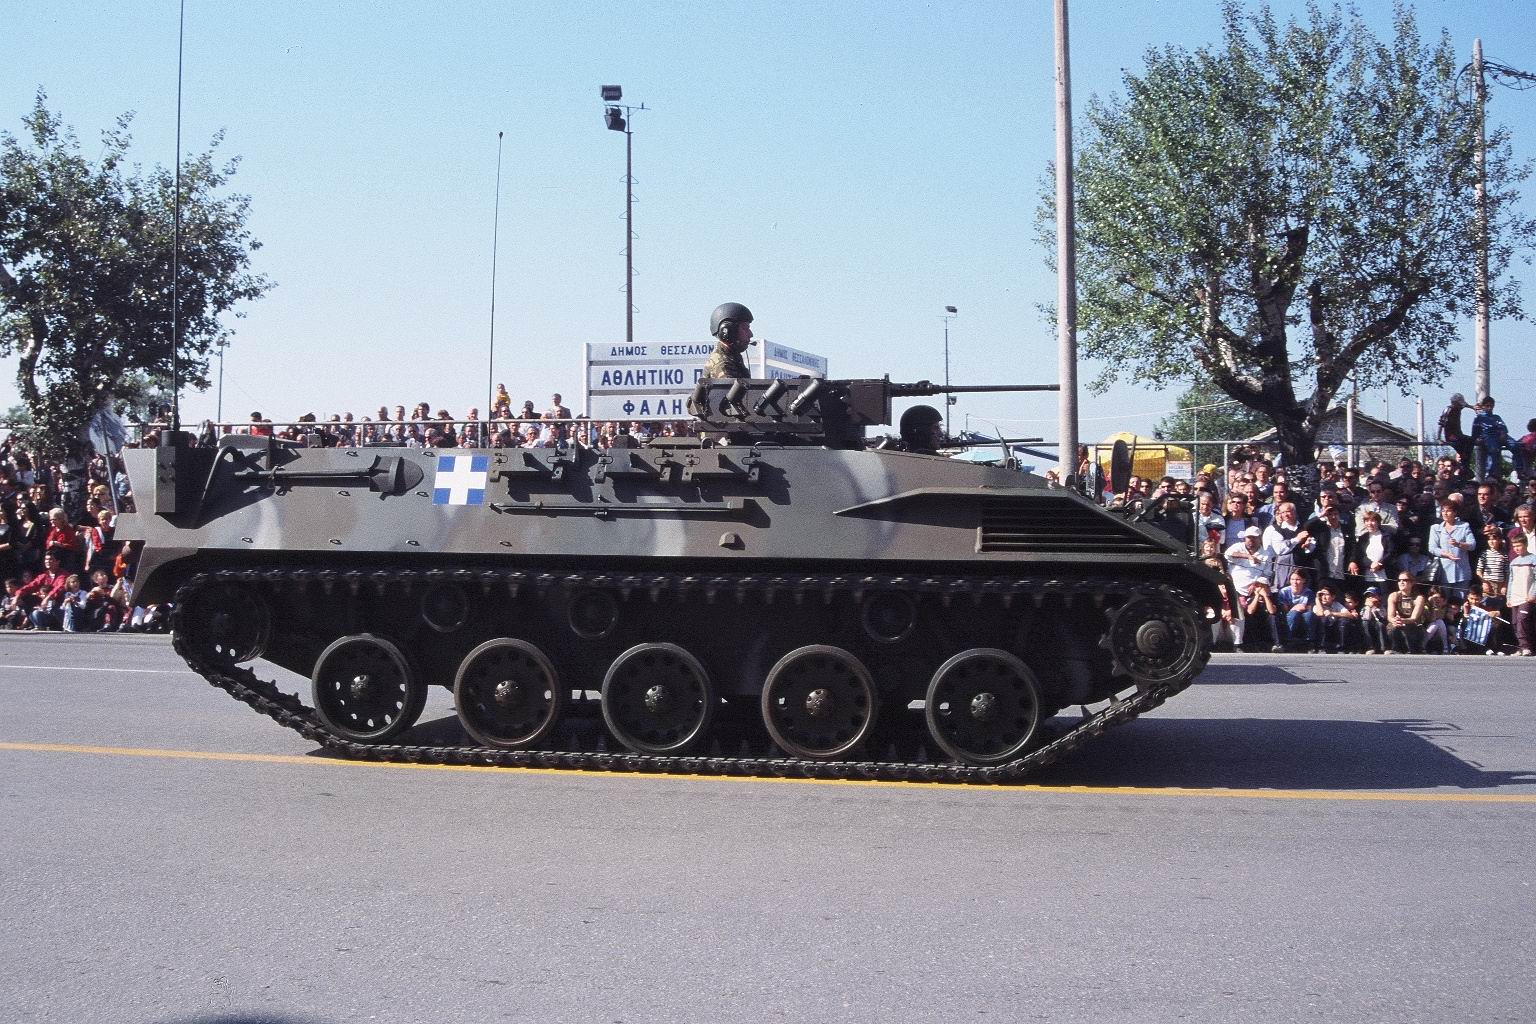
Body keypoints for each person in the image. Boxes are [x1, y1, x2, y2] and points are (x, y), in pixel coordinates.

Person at [1428, 501, 1475, 590]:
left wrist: (1458, 544)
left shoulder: (1464, 526)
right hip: (1444, 572)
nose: (1445, 513)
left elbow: (1472, 545)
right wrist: (1446, 554)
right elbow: (1432, 548)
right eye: (1443, 511)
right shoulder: (1436, 528)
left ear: (1455, 513)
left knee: (1460, 600)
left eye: (1448, 511)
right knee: (1444, 599)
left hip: (1462, 573)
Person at [702, 302, 753, 380]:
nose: (750, 334)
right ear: (729, 331)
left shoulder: (732, 358)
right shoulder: (721, 364)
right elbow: (732, 391)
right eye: (745, 328)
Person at [1471, 396, 1512, 481]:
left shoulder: (1496, 417)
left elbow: (1503, 428)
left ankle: (1519, 470)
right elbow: (1474, 432)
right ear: (1483, 406)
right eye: (1487, 406)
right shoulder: (1479, 418)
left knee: (1514, 445)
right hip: (1487, 437)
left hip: (1498, 437)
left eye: (1491, 406)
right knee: (1492, 449)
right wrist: (1476, 438)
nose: (1489, 408)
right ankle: (1490, 474)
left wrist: (1502, 435)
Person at [1507, 532, 1535, 655]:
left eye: (1519, 545)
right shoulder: (1513, 562)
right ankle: (1521, 645)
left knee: (1522, 620)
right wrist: (1509, 597)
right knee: (1515, 622)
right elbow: (1511, 580)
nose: (1517, 548)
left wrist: (1533, 593)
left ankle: (1526, 647)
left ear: (1525, 544)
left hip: (1527, 597)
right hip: (1515, 597)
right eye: (1514, 546)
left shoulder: (1533, 559)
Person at [1386, 573, 1426, 654]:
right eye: (1399, 580)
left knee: (1408, 627)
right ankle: (1396, 649)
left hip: (1414, 625)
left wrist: (1402, 620)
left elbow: (1414, 618)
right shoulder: (1393, 596)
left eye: (1405, 580)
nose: (1401, 582)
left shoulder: (1419, 598)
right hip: (1398, 623)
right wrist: (1395, 620)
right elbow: (1390, 616)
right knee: (1392, 626)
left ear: (1412, 583)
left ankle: (1411, 650)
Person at [1437, 393, 1474, 471]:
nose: (1460, 406)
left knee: (1470, 441)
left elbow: (1465, 405)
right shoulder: (1449, 410)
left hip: (1458, 434)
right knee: (1461, 446)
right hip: (1451, 435)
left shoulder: (1459, 408)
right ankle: (1463, 465)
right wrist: (1438, 438)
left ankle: (1465, 465)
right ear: (1454, 402)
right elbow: (1441, 424)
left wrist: (1472, 407)